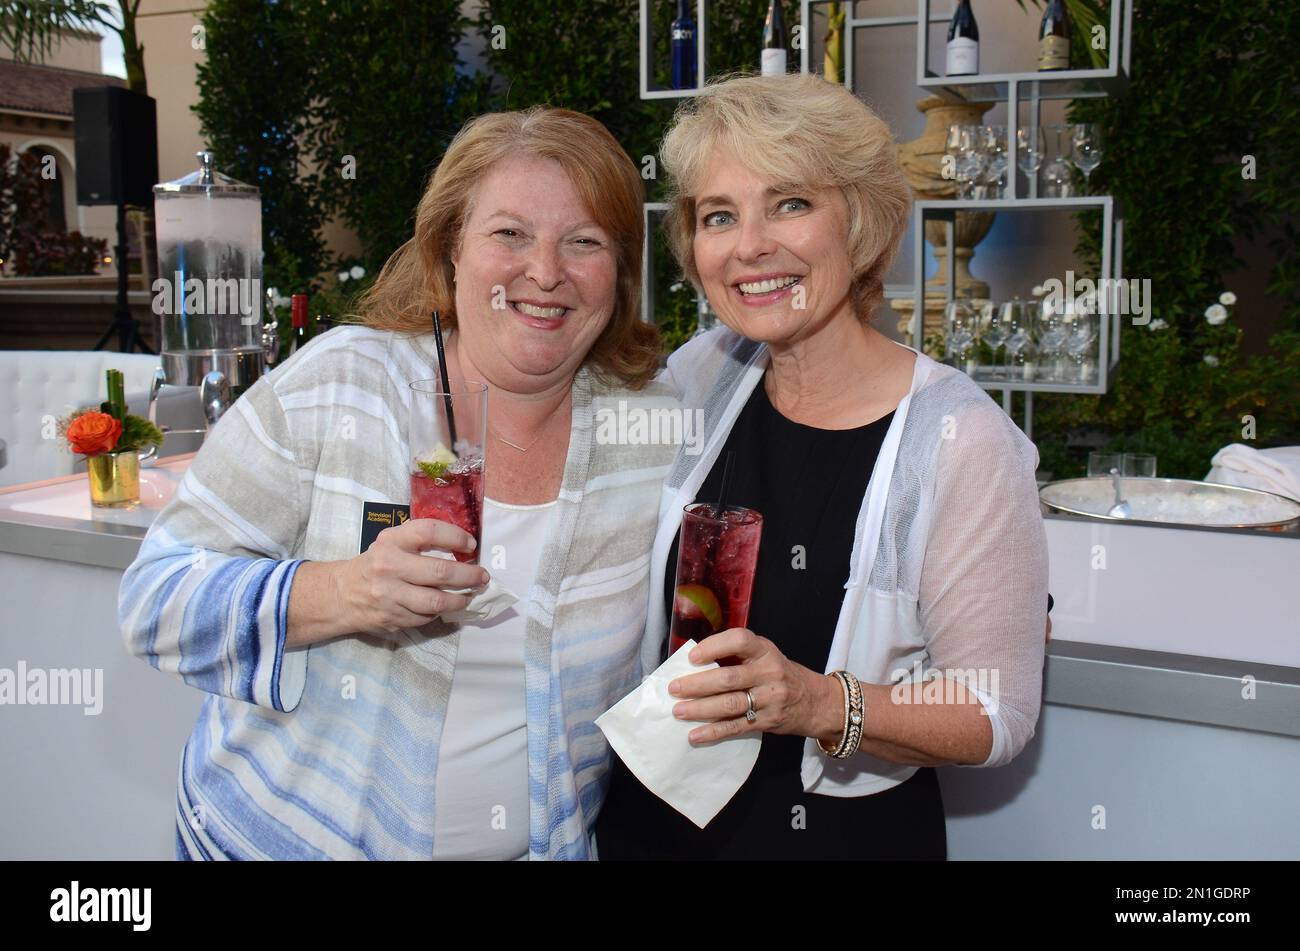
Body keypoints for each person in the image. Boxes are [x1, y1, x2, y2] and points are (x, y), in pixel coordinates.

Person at [119, 106, 680, 860]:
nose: (545, 271)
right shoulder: (345, 383)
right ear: (450, 250)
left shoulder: (648, 433)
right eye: (509, 234)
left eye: (583, 241)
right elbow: (154, 599)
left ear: (620, 268)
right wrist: (342, 592)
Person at [595, 73, 1050, 860]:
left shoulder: (958, 438)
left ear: (862, 224)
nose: (749, 245)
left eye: (791, 204)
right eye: (719, 216)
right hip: (652, 828)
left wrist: (818, 702)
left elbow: (993, 711)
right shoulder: (703, 375)